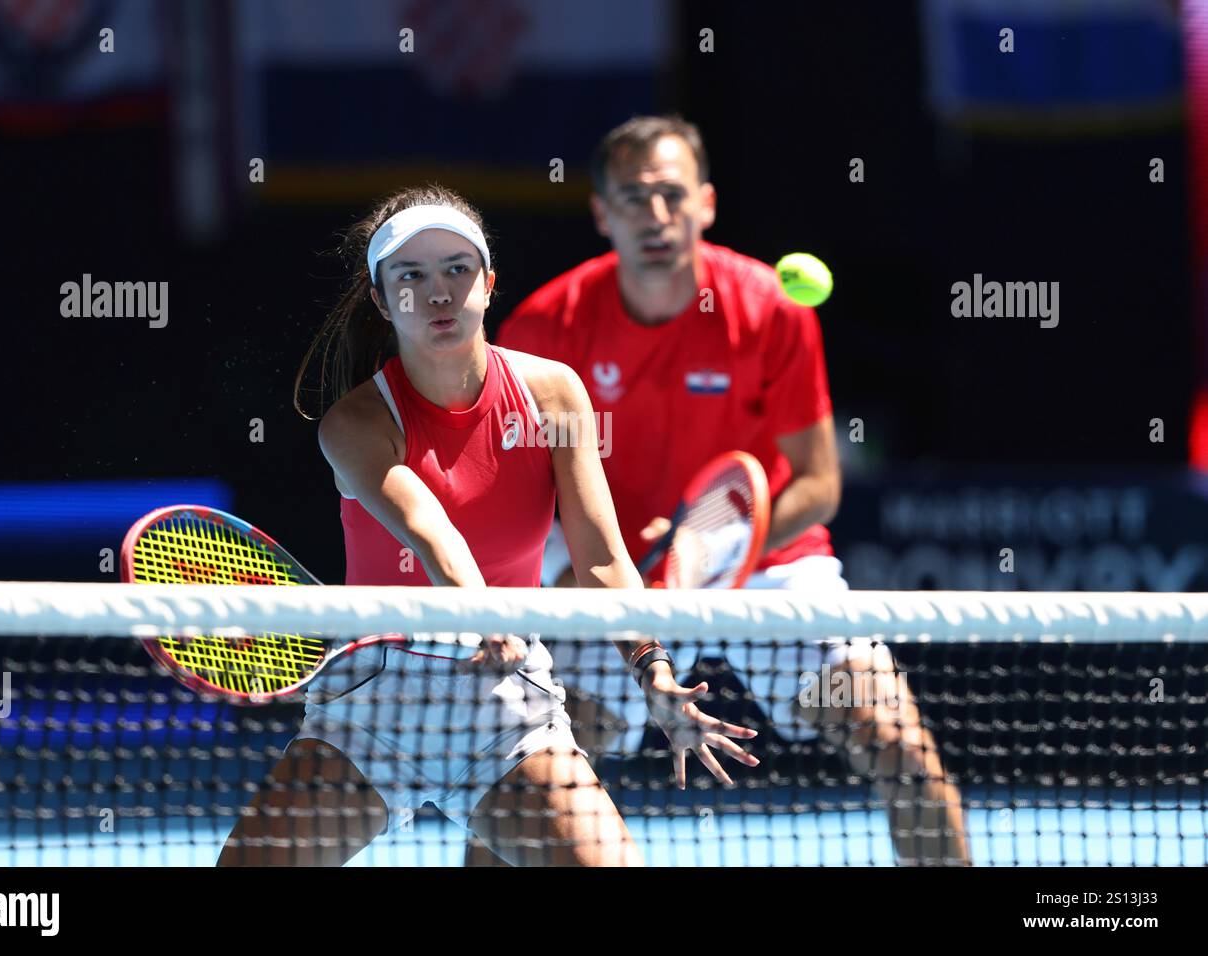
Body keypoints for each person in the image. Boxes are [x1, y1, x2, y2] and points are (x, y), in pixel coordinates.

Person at [217, 184, 758, 867]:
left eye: (456, 269)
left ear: (488, 282)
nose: (437, 293)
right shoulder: (356, 424)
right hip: (377, 702)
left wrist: (653, 672)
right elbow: (430, 529)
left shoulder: (553, 394)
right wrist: (487, 614)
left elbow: (599, 558)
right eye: (410, 277)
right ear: (382, 301)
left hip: (504, 704)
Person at [493, 116, 970, 866]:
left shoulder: (770, 309)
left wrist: (713, 552)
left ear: (707, 203)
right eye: (634, 197)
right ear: (601, 213)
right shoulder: (548, 325)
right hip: (614, 569)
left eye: (673, 195)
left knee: (901, 750)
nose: (656, 216)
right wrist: (566, 576)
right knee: (516, 781)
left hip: (767, 566)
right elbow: (512, 487)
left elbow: (816, 484)